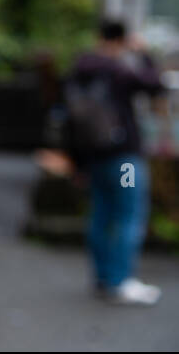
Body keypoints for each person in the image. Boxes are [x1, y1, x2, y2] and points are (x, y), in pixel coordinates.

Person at [65, 19, 165, 306]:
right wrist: (144, 54)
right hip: (123, 159)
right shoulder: (118, 70)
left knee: (100, 216)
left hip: (93, 157)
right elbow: (155, 85)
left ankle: (103, 277)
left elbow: (69, 118)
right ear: (121, 40)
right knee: (128, 217)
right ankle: (120, 281)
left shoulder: (80, 69)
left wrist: (77, 162)